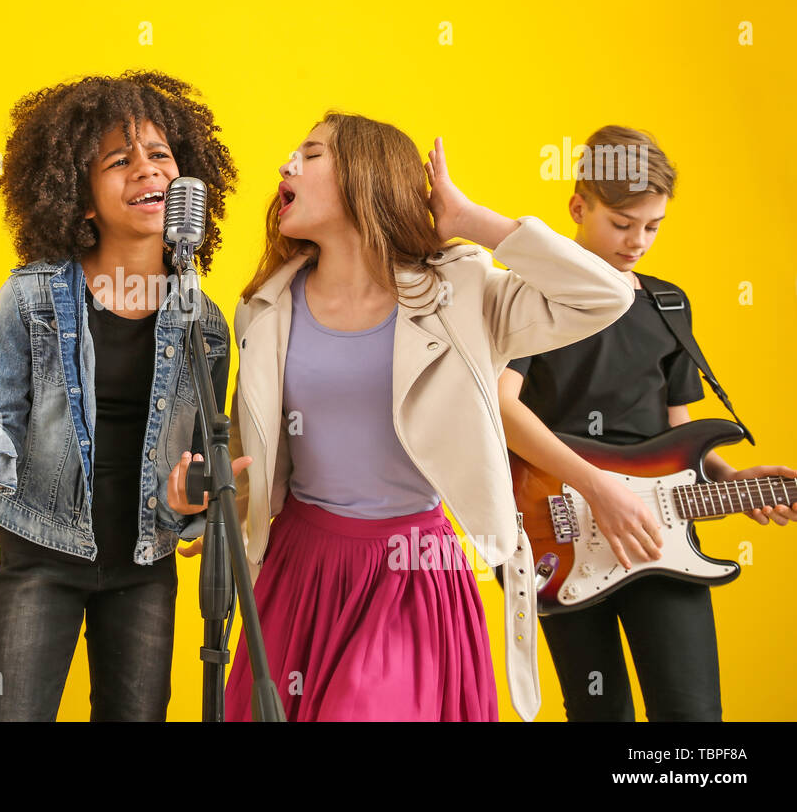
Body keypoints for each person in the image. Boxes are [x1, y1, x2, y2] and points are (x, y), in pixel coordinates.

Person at [185, 112, 633, 721]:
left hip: (411, 571)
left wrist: (475, 223)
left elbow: (604, 295)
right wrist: (207, 515)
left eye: (311, 154)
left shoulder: (461, 293)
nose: (286, 164)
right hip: (299, 566)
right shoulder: (264, 309)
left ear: (365, 175)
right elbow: (250, 451)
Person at [0, 71, 246, 720]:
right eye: (120, 159)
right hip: (39, 559)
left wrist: (191, 500)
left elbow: (194, 472)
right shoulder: (30, 299)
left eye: (161, 155)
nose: (148, 170)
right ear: (81, 198)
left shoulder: (206, 322)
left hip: (144, 569)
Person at [498, 125, 795, 721]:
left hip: (663, 538)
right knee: (598, 713)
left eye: (652, 227)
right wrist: (597, 487)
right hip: (559, 531)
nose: (637, 242)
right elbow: (503, 410)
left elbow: (678, 435)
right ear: (578, 206)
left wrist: (731, 478)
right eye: (621, 223)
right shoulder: (534, 292)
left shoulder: (668, 305)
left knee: (692, 720)